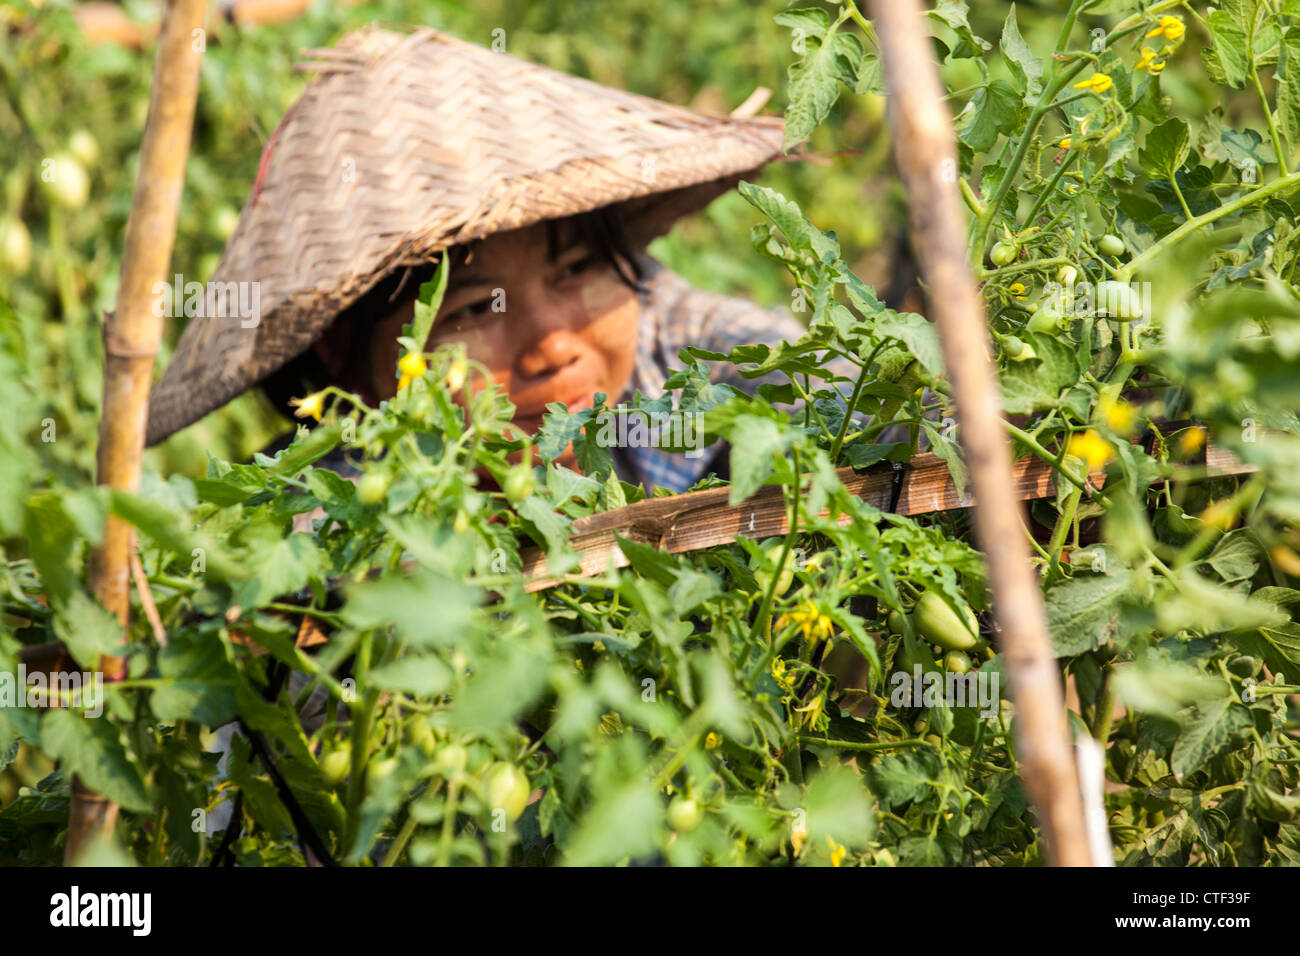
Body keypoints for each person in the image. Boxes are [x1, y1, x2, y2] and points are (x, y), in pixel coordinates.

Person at [144, 26, 847, 493]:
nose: (554, 347)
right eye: (474, 308)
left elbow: (847, 388)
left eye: (574, 270)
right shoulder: (315, 523)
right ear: (337, 353)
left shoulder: (686, 350)